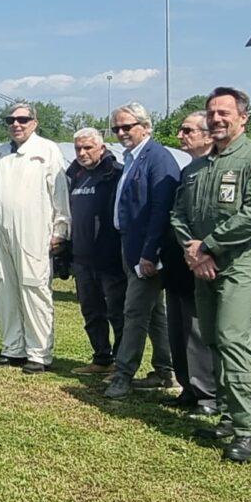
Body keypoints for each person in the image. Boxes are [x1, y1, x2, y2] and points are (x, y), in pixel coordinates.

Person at [171, 88, 251, 463]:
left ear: (243, 117)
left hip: (239, 264)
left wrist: (209, 247)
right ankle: (227, 414)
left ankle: (248, 430)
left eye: (224, 112)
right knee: (211, 338)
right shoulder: (196, 169)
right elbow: (179, 216)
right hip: (203, 267)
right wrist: (193, 250)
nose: (217, 119)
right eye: (211, 113)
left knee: (233, 338)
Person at [0, 103, 69, 373]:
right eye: (11, 120)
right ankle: (13, 348)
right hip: (0, 231)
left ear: (34, 122)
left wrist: (61, 229)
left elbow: (59, 193)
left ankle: (39, 353)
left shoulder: (47, 150)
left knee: (34, 289)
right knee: (5, 286)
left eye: (22, 119)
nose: (16, 124)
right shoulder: (2, 153)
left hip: (34, 230)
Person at [103, 102, 180, 399]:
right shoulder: (133, 158)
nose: (121, 132)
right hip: (131, 245)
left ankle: (123, 374)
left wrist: (151, 253)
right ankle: (166, 370)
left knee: (134, 312)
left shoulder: (157, 158)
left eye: (127, 127)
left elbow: (161, 209)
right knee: (155, 313)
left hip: (146, 251)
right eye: (116, 128)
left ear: (145, 127)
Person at [163, 112, 220, 415]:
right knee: (179, 327)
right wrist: (187, 246)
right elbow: (178, 214)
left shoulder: (219, 168)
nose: (180, 136)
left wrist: (202, 249)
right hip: (182, 258)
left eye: (187, 130)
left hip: (206, 260)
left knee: (199, 329)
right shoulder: (190, 170)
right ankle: (188, 386)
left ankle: (208, 395)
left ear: (208, 135)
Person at [66, 127, 126, 376]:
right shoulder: (75, 175)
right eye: (78, 148)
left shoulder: (115, 173)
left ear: (102, 148)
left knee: (117, 312)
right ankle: (101, 358)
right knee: (91, 311)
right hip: (81, 257)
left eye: (88, 147)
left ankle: (122, 364)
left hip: (109, 258)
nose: (82, 152)